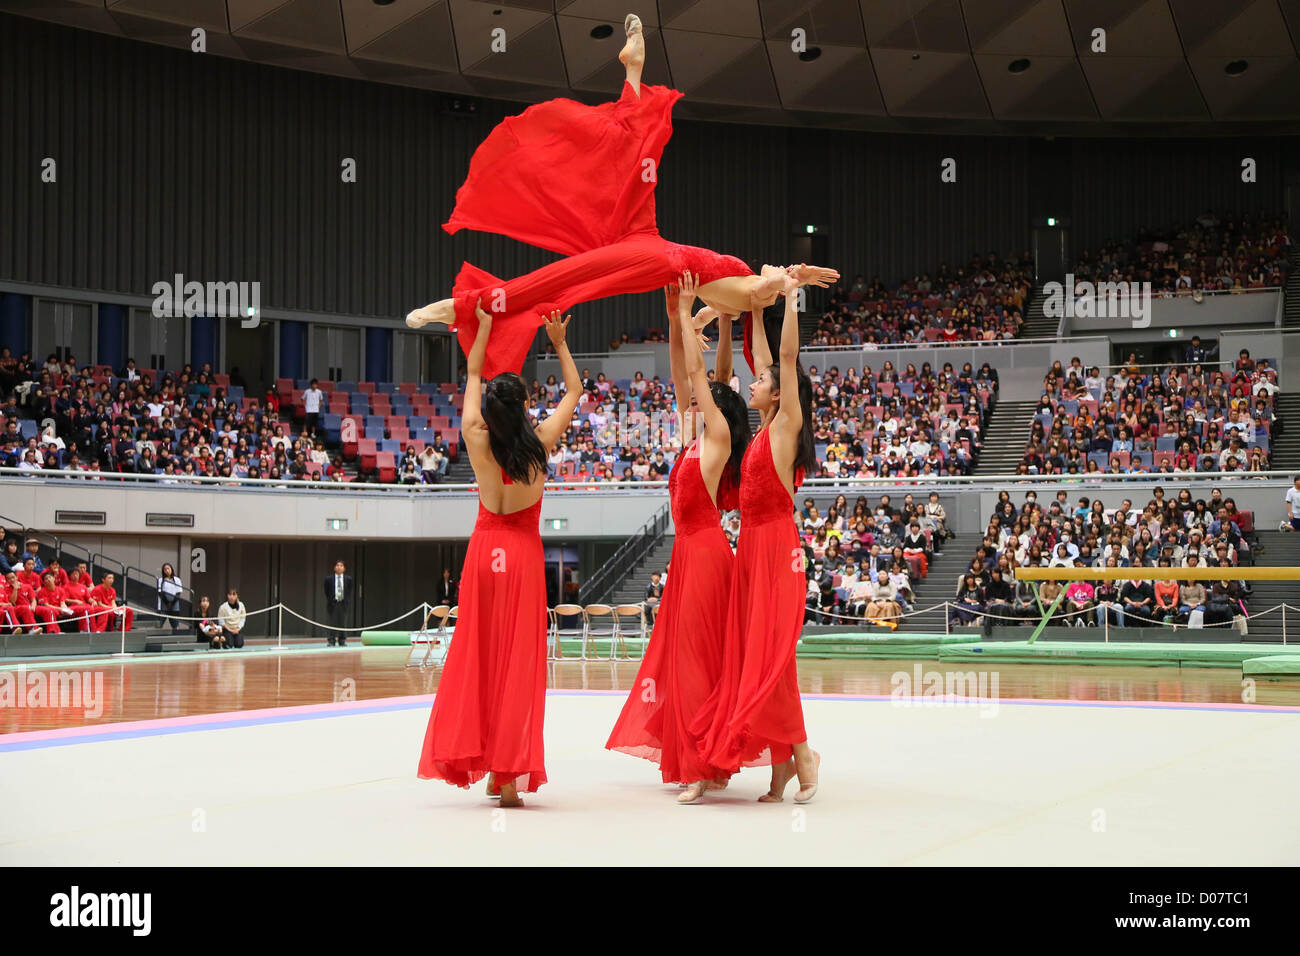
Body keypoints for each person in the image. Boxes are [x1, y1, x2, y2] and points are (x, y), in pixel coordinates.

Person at [404, 15, 837, 378]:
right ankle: (633, 70)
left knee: (573, 277)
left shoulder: (752, 298)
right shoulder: (741, 300)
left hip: (658, 259)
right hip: (652, 247)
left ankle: (464, 305)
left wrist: (792, 279)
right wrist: (784, 279)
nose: (774, 266)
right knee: (634, 159)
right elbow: (741, 293)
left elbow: (763, 286)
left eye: (776, 273)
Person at [418, 304, 581, 808]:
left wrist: (482, 333)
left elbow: (470, 374)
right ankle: (506, 774)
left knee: (480, 657)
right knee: (517, 663)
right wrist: (557, 342)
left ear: (492, 411)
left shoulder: (476, 439)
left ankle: (487, 762)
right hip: (524, 553)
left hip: (486, 551)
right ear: (527, 405)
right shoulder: (542, 444)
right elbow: (575, 392)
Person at [608, 273, 749, 798]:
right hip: (689, 553)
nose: (692, 397)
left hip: (708, 553)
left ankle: (699, 763)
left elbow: (700, 371)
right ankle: (703, 758)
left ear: (717, 409)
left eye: (704, 397)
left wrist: (695, 311)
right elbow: (681, 370)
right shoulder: (696, 436)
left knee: (695, 661)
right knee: (683, 660)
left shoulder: (716, 438)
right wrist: (676, 315)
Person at [688, 266, 820, 804]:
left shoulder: (786, 424)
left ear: (782, 396)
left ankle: (803, 755)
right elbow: (766, 358)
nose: (755, 380)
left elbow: (784, 360)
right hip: (751, 550)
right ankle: (784, 762)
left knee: (771, 658)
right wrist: (758, 307)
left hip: (778, 548)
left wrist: (791, 298)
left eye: (761, 383)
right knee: (755, 657)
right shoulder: (764, 430)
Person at [323, 560, 354, 647]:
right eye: (337, 565)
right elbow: (326, 591)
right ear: (334, 568)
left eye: (341, 566)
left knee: (343, 623)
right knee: (331, 623)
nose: (339, 567)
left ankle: (342, 641)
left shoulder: (348, 579)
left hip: (343, 604)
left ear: (344, 568)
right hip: (332, 604)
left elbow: (349, 591)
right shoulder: (328, 579)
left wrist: (346, 601)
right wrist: (331, 600)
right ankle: (331, 641)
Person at [157, 563, 185, 634]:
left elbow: (178, 593)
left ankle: (177, 640)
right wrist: (167, 603)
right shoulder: (160, 580)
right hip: (164, 604)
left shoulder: (177, 579)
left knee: (175, 623)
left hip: (174, 605)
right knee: (159, 623)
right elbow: (160, 593)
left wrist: (172, 604)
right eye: (165, 569)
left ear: (171, 569)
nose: (167, 570)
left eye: (168, 568)